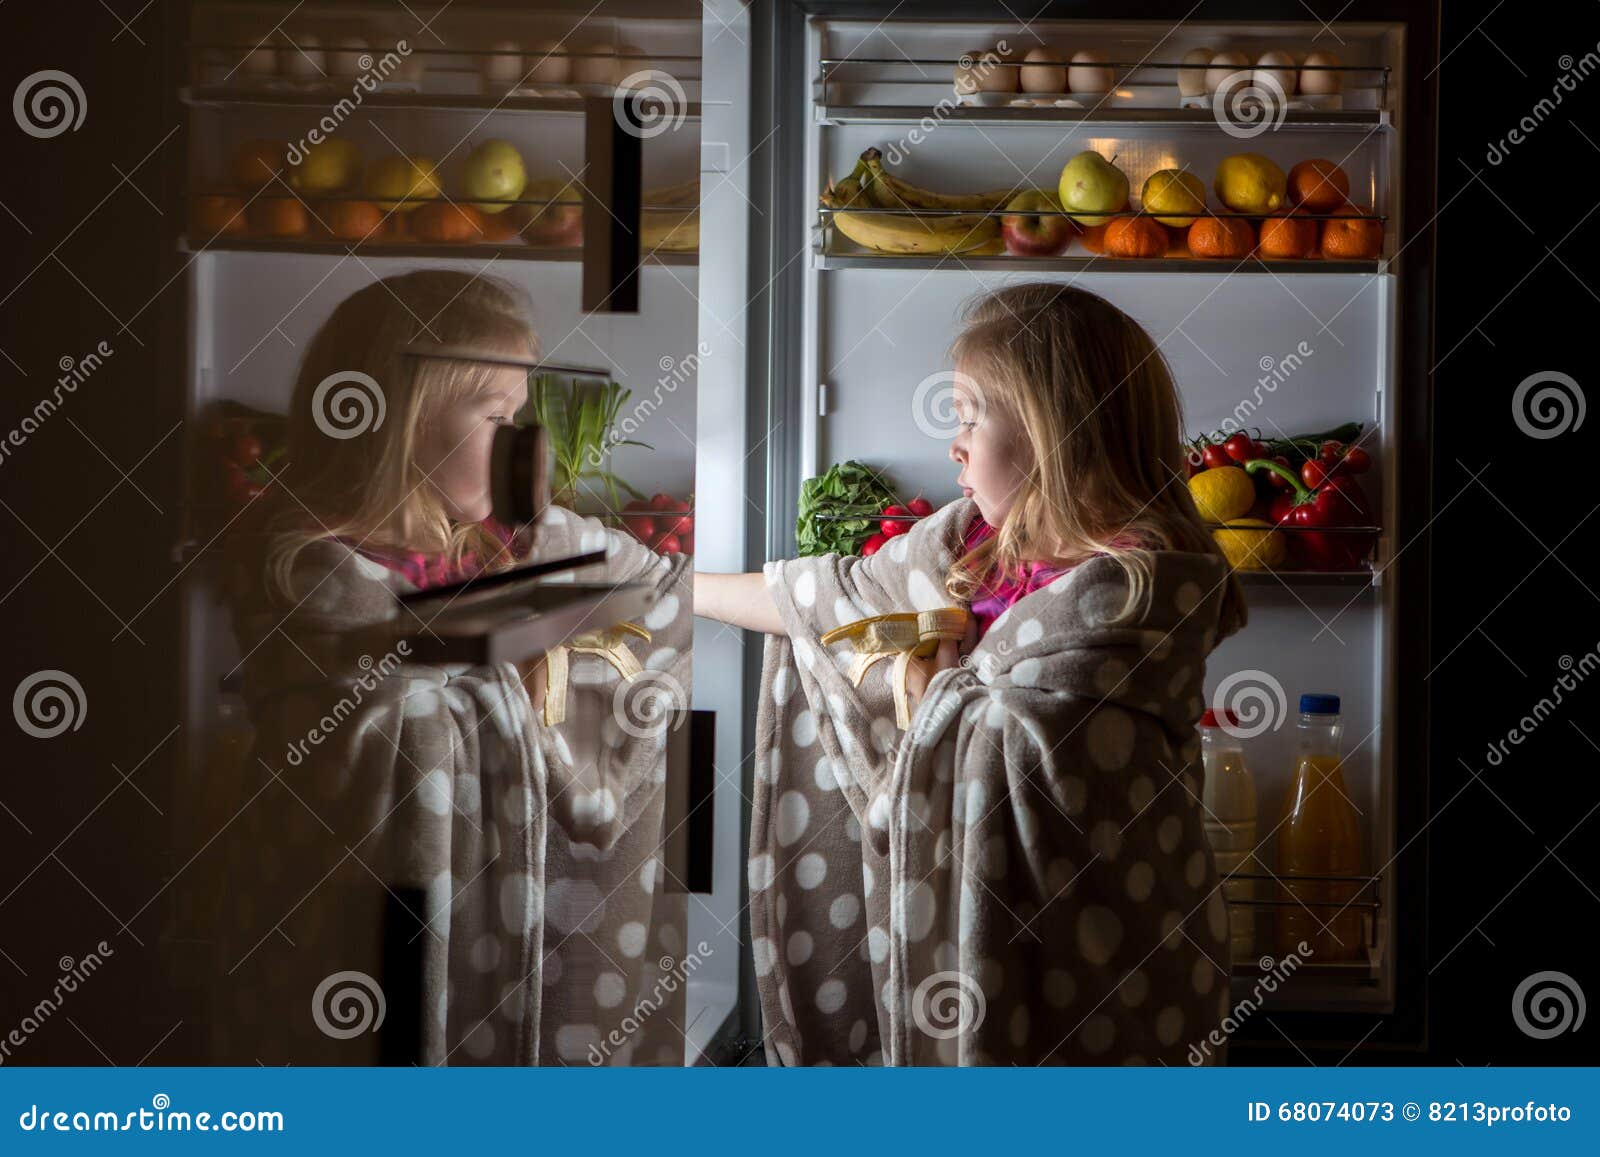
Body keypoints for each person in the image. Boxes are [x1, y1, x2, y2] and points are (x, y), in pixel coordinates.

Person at [695, 282, 1246, 1064]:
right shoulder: (971, 551)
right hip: (961, 949)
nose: (953, 445)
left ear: (1056, 433)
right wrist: (676, 588)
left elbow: (1039, 746)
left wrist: (927, 701)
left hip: (1109, 960)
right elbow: (819, 594)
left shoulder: (1132, 596)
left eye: (968, 419)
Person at [199, 270, 692, 1065]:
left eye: (522, 414)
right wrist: (519, 661)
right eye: (497, 415)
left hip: (501, 929)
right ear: (401, 420)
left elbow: (665, 597)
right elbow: (385, 697)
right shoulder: (307, 565)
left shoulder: (511, 543)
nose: (523, 438)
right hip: (349, 924)